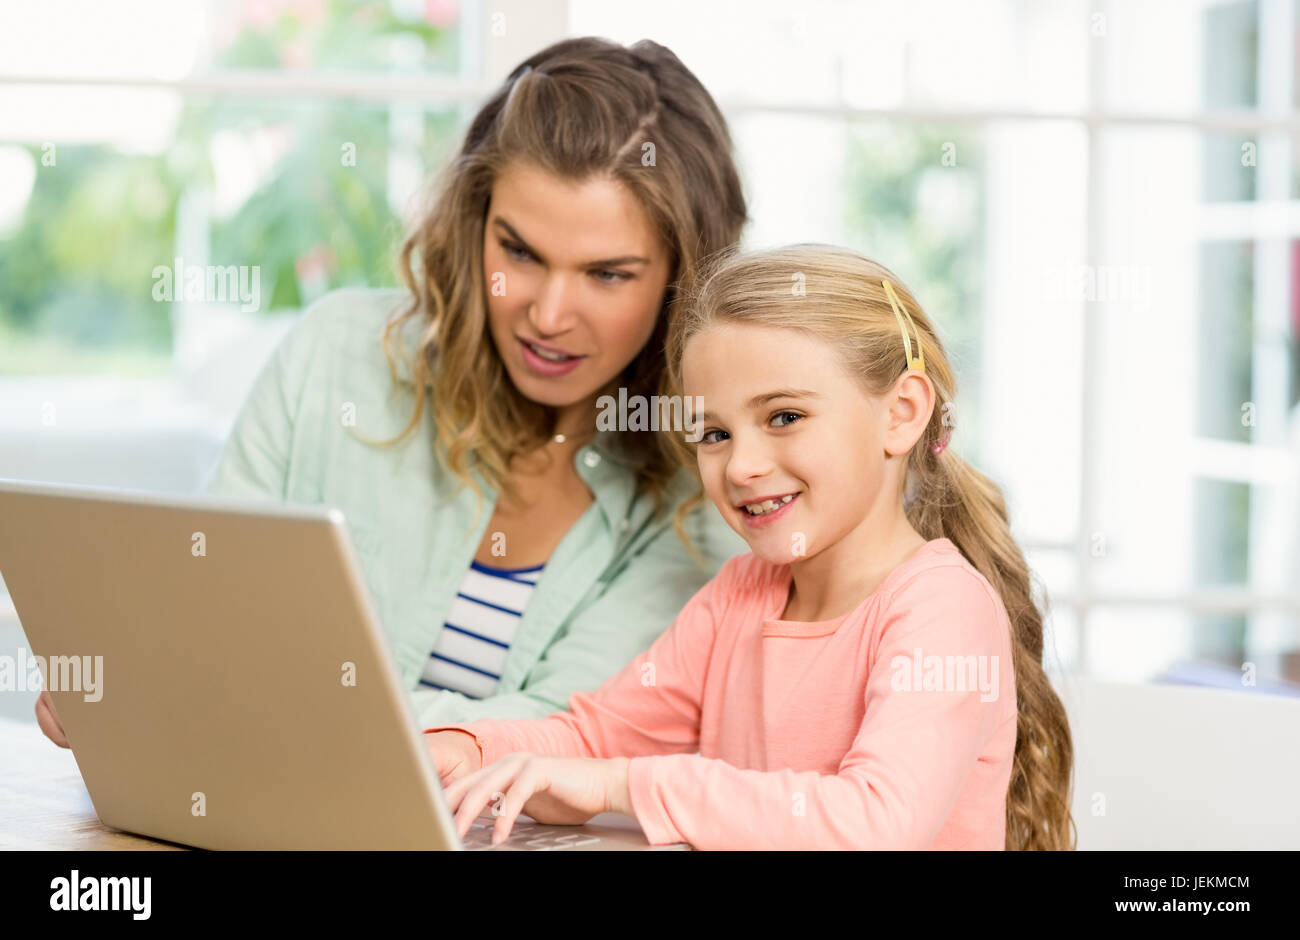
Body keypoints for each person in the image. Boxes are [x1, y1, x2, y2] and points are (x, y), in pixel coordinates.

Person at [34, 36, 749, 747]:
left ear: (683, 283)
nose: (548, 314)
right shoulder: (337, 355)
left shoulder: (714, 483)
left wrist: (236, 695)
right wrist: (133, 672)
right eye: (519, 251)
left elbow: (574, 729)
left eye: (607, 274)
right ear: (474, 223)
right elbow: (208, 613)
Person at [423, 244, 1077, 850]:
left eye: (784, 418)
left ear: (901, 413)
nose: (741, 466)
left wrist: (625, 783)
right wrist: (469, 749)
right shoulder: (738, 598)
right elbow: (592, 741)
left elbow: (877, 822)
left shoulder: (943, 609)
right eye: (714, 434)